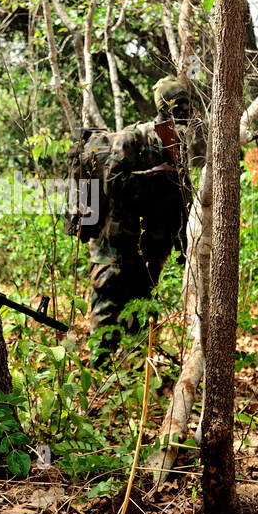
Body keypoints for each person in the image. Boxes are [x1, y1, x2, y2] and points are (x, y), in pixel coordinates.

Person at [88, 77, 194, 365]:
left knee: (143, 308)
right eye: (180, 105)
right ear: (165, 107)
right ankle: (100, 375)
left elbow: (182, 196)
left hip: (151, 247)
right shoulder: (133, 138)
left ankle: (137, 376)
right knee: (108, 305)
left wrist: (184, 241)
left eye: (188, 105)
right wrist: (153, 175)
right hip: (116, 245)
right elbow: (113, 183)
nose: (187, 111)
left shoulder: (178, 145)